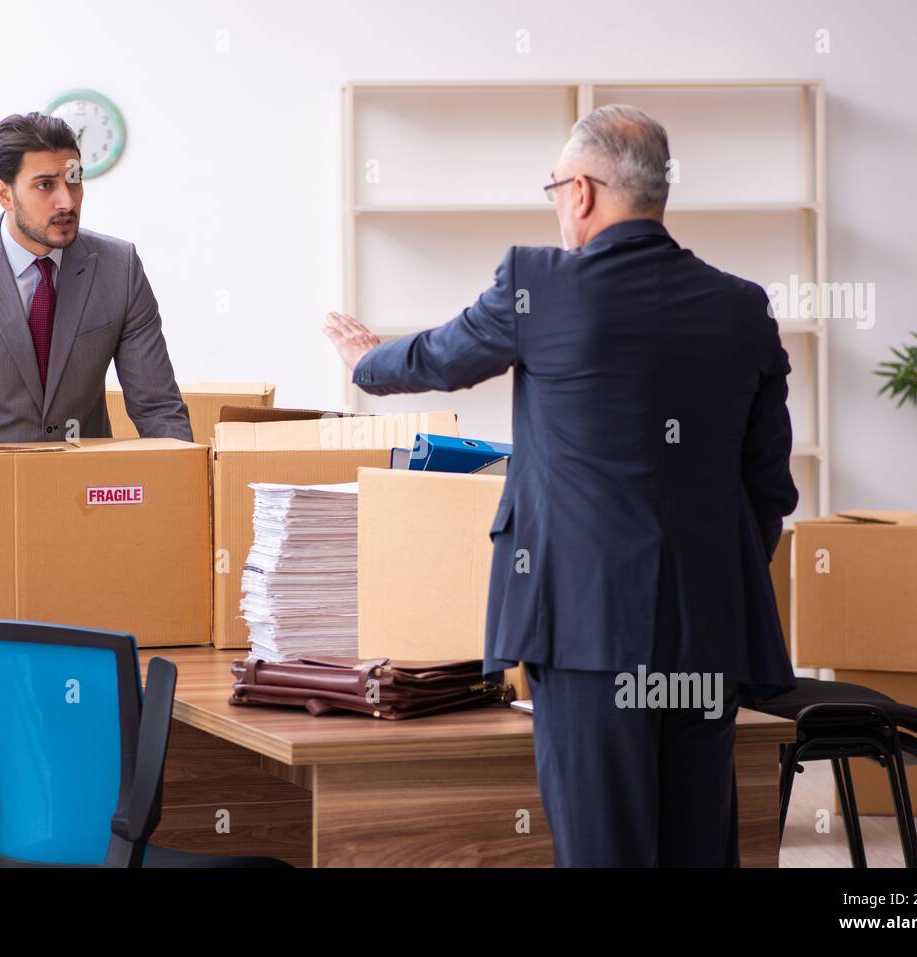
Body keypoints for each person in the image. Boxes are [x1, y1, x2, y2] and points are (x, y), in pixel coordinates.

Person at [322, 104, 797, 866]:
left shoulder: (539, 284)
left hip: (585, 631)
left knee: (604, 848)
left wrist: (363, 362)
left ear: (581, 191)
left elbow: (440, 358)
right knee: (699, 846)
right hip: (707, 629)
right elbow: (768, 485)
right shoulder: (742, 306)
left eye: (554, 190)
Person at [0, 111, 192, 866]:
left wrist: (182, 526)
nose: (66, 201)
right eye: (45, 184)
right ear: (3, 192)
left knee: (94, 757)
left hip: (87, 542)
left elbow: (160, 413)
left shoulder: (116, 268)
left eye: (73, 179)